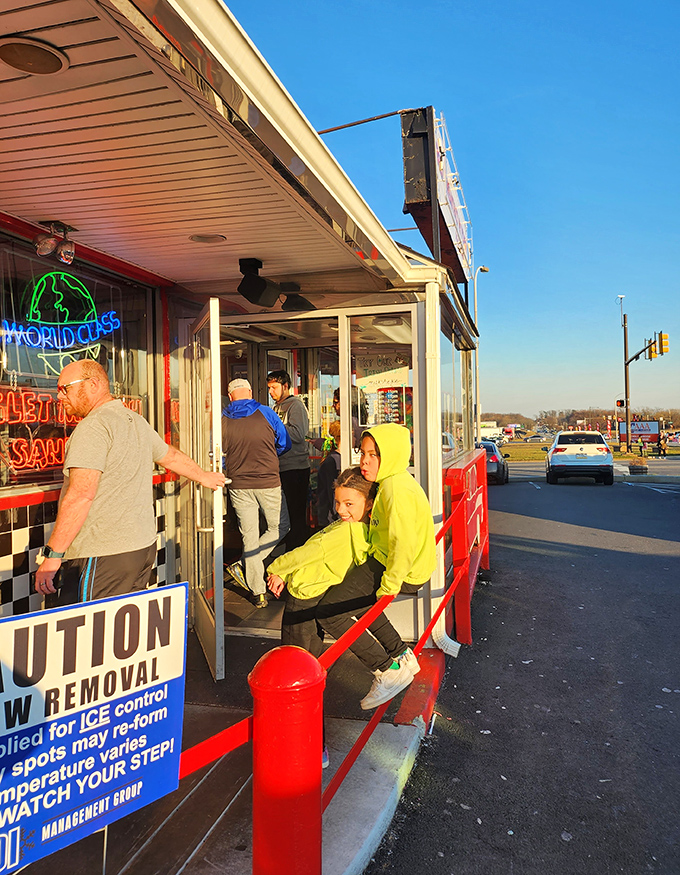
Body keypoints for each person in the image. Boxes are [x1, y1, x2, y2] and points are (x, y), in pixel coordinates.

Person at [35, 360, 226, 604]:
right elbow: (171, 456)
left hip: (103, 553)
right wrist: (204, 476)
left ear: (93, 385)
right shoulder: (134, 420)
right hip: (140, 549)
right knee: (123, 632)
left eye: (65, 388)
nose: (59, 396)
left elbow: (81, 494)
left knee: (92, 633)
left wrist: (53, 555)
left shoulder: (92, 427)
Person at [315, 423, 436, 710]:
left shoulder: (396, 490)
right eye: (363, 452)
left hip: (400, 569)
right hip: (397, 563)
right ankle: (401, 654)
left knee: (329, 612)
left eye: (374, 455)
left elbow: (402, 543)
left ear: (391, 455)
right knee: (351, 599)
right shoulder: (394, 481)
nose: (365, 461)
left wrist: (389, 588)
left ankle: (386, 670)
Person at [267, 466, 376, 657]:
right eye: (338, 502)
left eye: (349, 504)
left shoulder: (342, 531)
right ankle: (313, 681)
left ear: (369, 504)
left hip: (303, 596)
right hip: (320, 594)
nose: (340, 510)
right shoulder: (360, 529)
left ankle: (297, 685)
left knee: (293, 653)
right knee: (312, 648)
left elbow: (305, 553)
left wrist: (275, 570)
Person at [222, 378, 291, 608]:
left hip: (238, 484)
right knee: (280, 527)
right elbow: (285, 443)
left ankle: (258, 592)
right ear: (250, 392)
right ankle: (246, 563)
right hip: (268, 482)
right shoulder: (266, 412)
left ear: (230, 395)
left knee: (249, 535)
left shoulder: (222, 419)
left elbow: (216, 450)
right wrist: (269, 457)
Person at [267, 369, 310, 549]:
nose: (271, 392)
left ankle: (296, 550)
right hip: (281, 466)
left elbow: (299, 434)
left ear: (286, 386)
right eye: (269, 388)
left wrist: (274, 428)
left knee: (295, 513)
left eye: (275, 387)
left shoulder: (295, 406)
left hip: (296, 467)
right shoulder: (276, 407)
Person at [316, 421, 342, 527]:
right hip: (331, 519)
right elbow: (331, 493)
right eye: (353, 435)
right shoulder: (333, 462)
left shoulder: (332, 459)